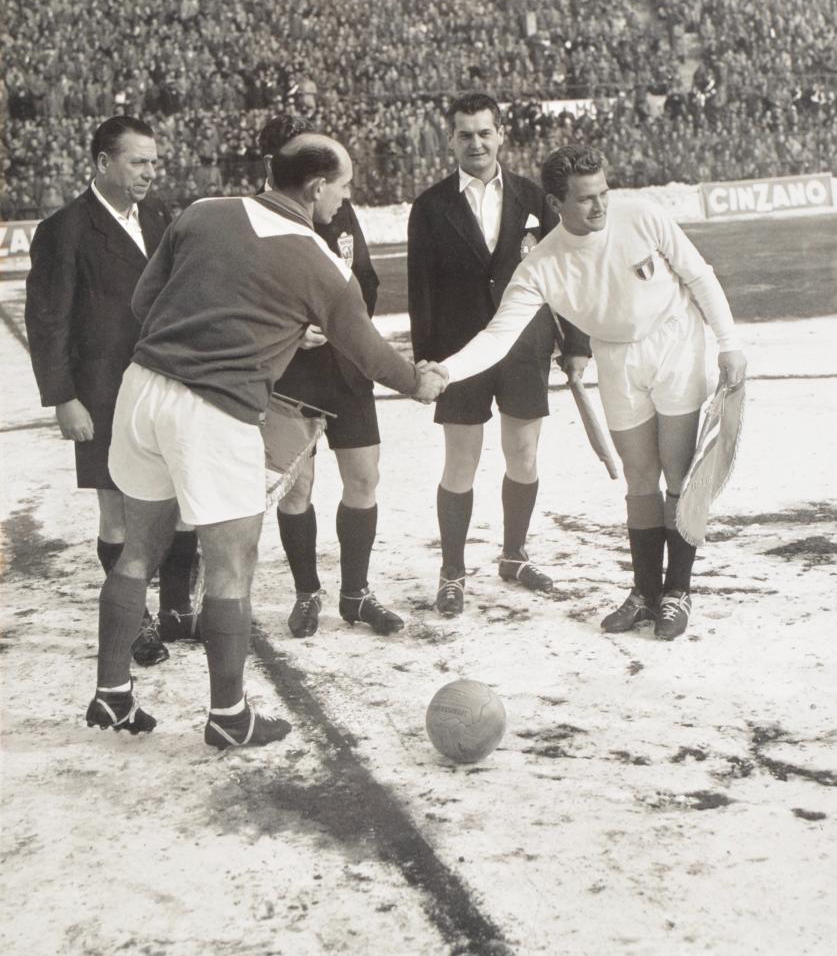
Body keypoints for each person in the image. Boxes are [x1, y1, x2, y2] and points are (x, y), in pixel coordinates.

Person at [87, 132, 445, 748]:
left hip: (143, 389)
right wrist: (421, 381)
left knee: (136, 554)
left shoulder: (202, 211)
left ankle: (111, 694)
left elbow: (145, 302)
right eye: (344, 187)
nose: (345, 198)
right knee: (232, 568)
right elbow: (369, 357)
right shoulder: (322, 265)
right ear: (314, 188)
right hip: (213, 411)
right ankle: (229, 716)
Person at [436, 144, 747, 641]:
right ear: (555, 204)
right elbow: (497, 338)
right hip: (616, 356)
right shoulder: (541, 264)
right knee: (639, 477)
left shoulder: (643, 216)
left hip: (675, 343)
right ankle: (644, 594)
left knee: (678, 474)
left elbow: (698, 274)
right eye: (585, 199)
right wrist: (446, 372)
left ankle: (678, 591)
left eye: (604, 192)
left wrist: (729, 344)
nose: (601, 206)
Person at [24, 116, 198, 666]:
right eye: (138, 161)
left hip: (166, 380)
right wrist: (62, 398)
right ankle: (137, 621)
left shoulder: (160, 214)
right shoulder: (64, 230)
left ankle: (175, 610)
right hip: (103, 391)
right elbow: (47, 321)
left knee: (178, 498)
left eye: (153, 161)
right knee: (118, 507)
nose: (151, 171)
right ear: (103, 163)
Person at [407, 92, 589, 617]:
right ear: (451, 140)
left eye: (484, 132)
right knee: (459, 463)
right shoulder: (430, 206)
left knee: (524, 455)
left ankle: (514, 554)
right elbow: (420, 293)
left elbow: (565, 276)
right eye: (465, 134)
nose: (476, 142)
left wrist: (576, 345)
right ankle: (452, 571)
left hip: (524, 347)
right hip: (460, 353)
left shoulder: (535, 198)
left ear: (501, 134)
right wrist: (426, 365)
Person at [257, 114, 402, 639]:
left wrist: (343, 323)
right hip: (291, 374)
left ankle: (356, 594)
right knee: (298, 491)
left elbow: (365, 275)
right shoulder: (257, 218)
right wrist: (293, 331)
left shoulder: (340, 208)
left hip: (346, 364)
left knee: (364, 477)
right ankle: (306, 591)